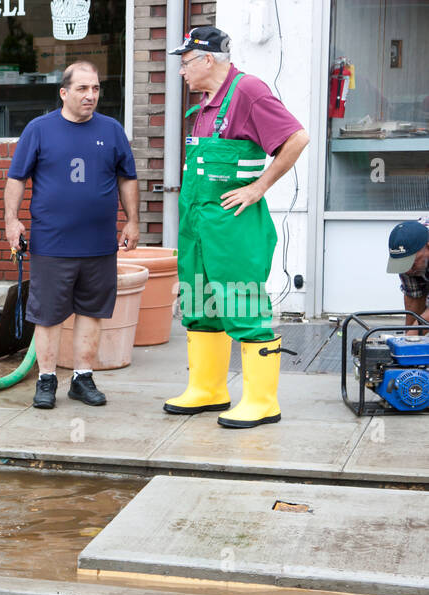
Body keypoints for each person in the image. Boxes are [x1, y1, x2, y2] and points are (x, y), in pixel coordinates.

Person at [163, 26, 309, 428]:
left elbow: (296, 137)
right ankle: (208, 389)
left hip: (233, 226)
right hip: (197, 223)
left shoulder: (249, 92)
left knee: (243, 304)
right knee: (199, 302)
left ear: (207, 60)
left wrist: (259, 187)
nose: (181, 72)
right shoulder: (208, 102)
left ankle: (262, 402)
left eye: (185, 63)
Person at [3, 61, 139, 410]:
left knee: (92, 312)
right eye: (82, 89)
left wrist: (133, 220)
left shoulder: (111, 130)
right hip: (52, 242)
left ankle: (82, 377)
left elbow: (127, 178)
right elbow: (16, 178)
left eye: (95, 88)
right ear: (64, 92)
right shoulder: (39, 129)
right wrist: (11, 220)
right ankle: (46, 378)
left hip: (98, 244)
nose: (90, 95)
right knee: (48, 314)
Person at [386, 219, 429, 334]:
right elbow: (414, 298)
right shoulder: (408, 246)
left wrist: (412, 336)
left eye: (412, 263)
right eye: (403, 263)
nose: (407, 270)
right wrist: (406, 340)